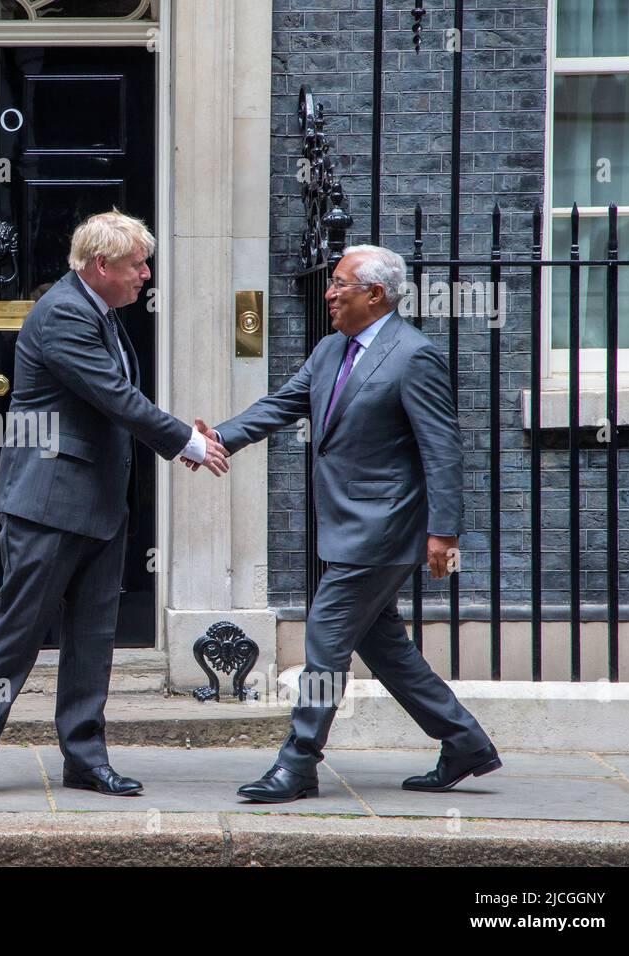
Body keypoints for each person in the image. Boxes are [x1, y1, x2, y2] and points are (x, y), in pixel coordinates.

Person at [196, 244, 499, 803]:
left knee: (326, 636)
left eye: (339, 284)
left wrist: (444, 532)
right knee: (387, 650)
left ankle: (299, 762)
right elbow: (280, 405)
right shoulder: (331, 349)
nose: (329, 293)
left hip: (383, 529)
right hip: (347, 525)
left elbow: (443, 450)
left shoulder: (413, 356)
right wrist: (214, 438)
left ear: (375, 294)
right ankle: (465, 743)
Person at [0, 210, 228, 801]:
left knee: (92, 638)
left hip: (100, 504)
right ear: (101, 266)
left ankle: (83, 757)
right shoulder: (64, 315)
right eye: (136, 265)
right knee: (15, 634)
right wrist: (189, 442)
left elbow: (118, 402)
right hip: (48, 504)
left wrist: (177, 440)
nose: (146, 275)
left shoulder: (98, 310)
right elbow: (116, 397)